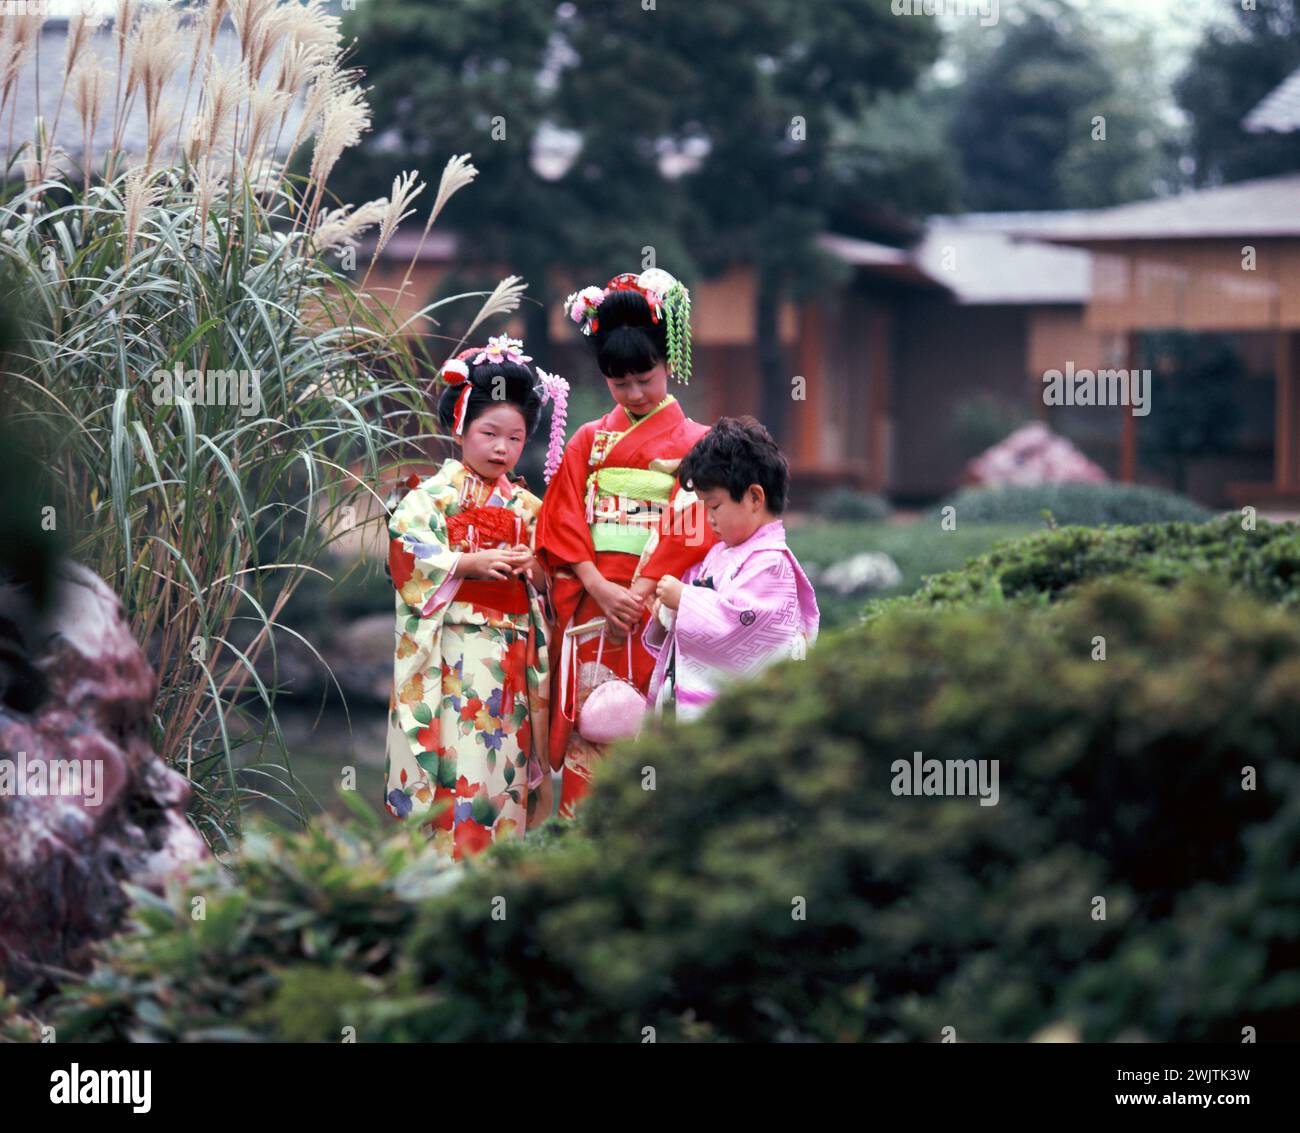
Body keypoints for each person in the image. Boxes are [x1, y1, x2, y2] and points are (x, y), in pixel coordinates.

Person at [535, 268, 716, 816]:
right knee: (597, 731)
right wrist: (596, 584)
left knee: (657, 732)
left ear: (668, 364)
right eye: (620, 383)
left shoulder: (699, 444)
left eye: (646, 377)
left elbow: (698, 521)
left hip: (660, 610)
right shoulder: (588, 442)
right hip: (594, 611)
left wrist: (636, 591)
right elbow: (560, 522)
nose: (635, 392)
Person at [383, 335, 570, 859]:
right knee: (457, 766)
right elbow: (405, 554)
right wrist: (468, 564)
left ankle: (495, 885)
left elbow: (554, 574)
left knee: (503, 773)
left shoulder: (530, 505)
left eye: (514, 437)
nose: (501, 449)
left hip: (511, 662)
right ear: (459, 426)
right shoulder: (430, 497)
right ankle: (443, 880)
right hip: (452, 661)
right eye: (489, 433)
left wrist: (535, 572)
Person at [644, 416, 819, 722]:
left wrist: (683, 598)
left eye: (714, 506)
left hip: (734, 716)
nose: (709, 519)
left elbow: (742, 622)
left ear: (754, 497)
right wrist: (667, 610)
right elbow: (695, 615)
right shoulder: (721, 553)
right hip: (691, 705)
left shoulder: (772, 564)